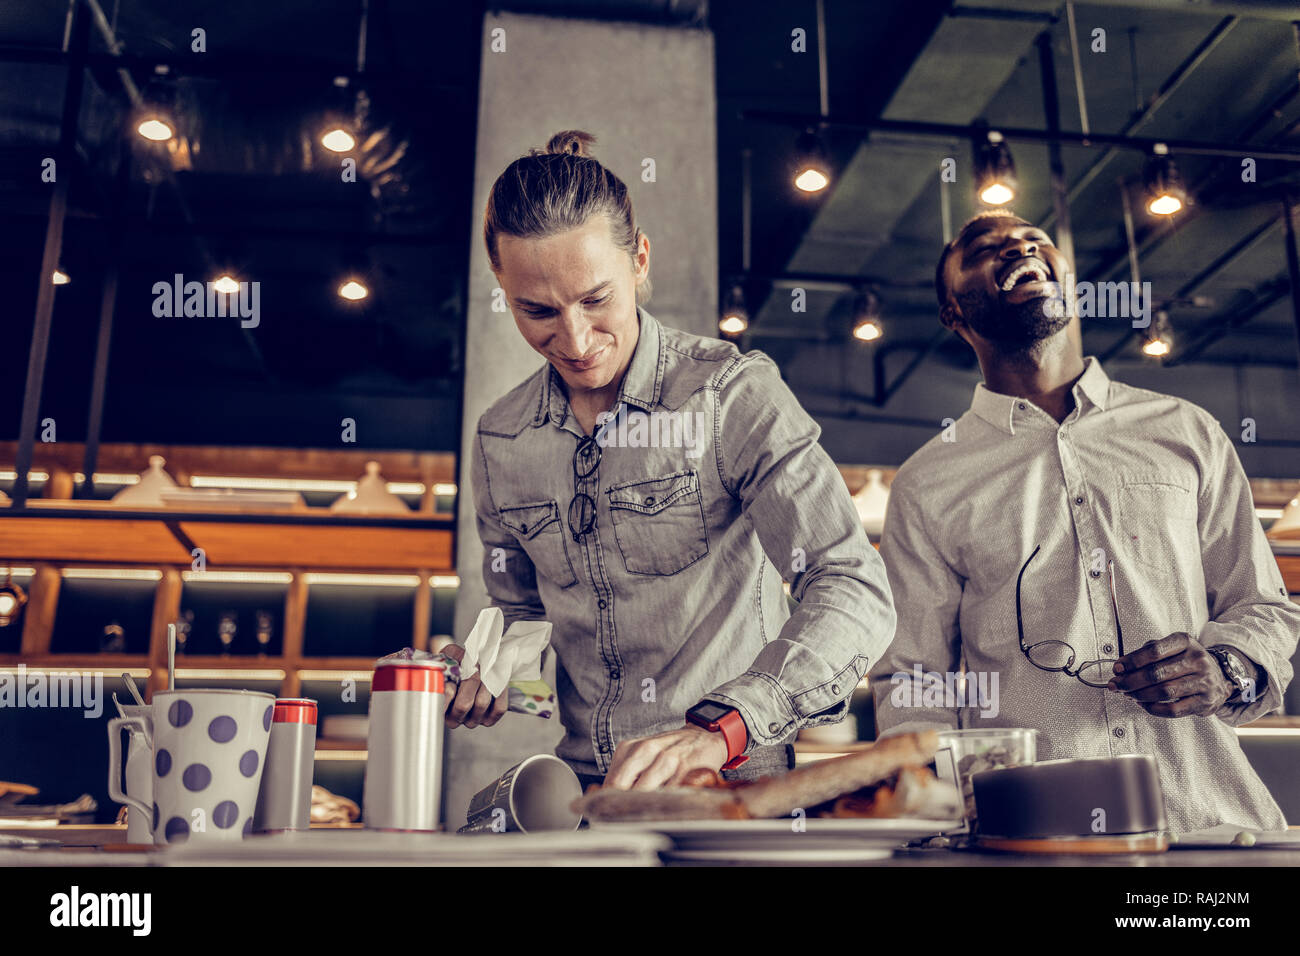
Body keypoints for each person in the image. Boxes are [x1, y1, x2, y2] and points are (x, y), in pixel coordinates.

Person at [449, 129, 895, 792]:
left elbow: (853, 587)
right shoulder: (502, 438)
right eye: (536, 310)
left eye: (595, 299)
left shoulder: (730, 396)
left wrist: (728, 727)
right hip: (584, 791)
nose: (573, 340)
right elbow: (525, 618)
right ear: (502, 288)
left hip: (731, 784)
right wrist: (487, 674)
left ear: (640, 263)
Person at [871, 210, 1300, 832]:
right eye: (984, 248)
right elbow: (915, 682)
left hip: (1208, 823)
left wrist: (1227, 669)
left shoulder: (1185, 431)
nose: (1018, 246)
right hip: (1037, 836)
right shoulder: (929, 481)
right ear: (954, 315)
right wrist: (949, 821)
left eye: (1033, 238)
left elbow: (1263, 604)